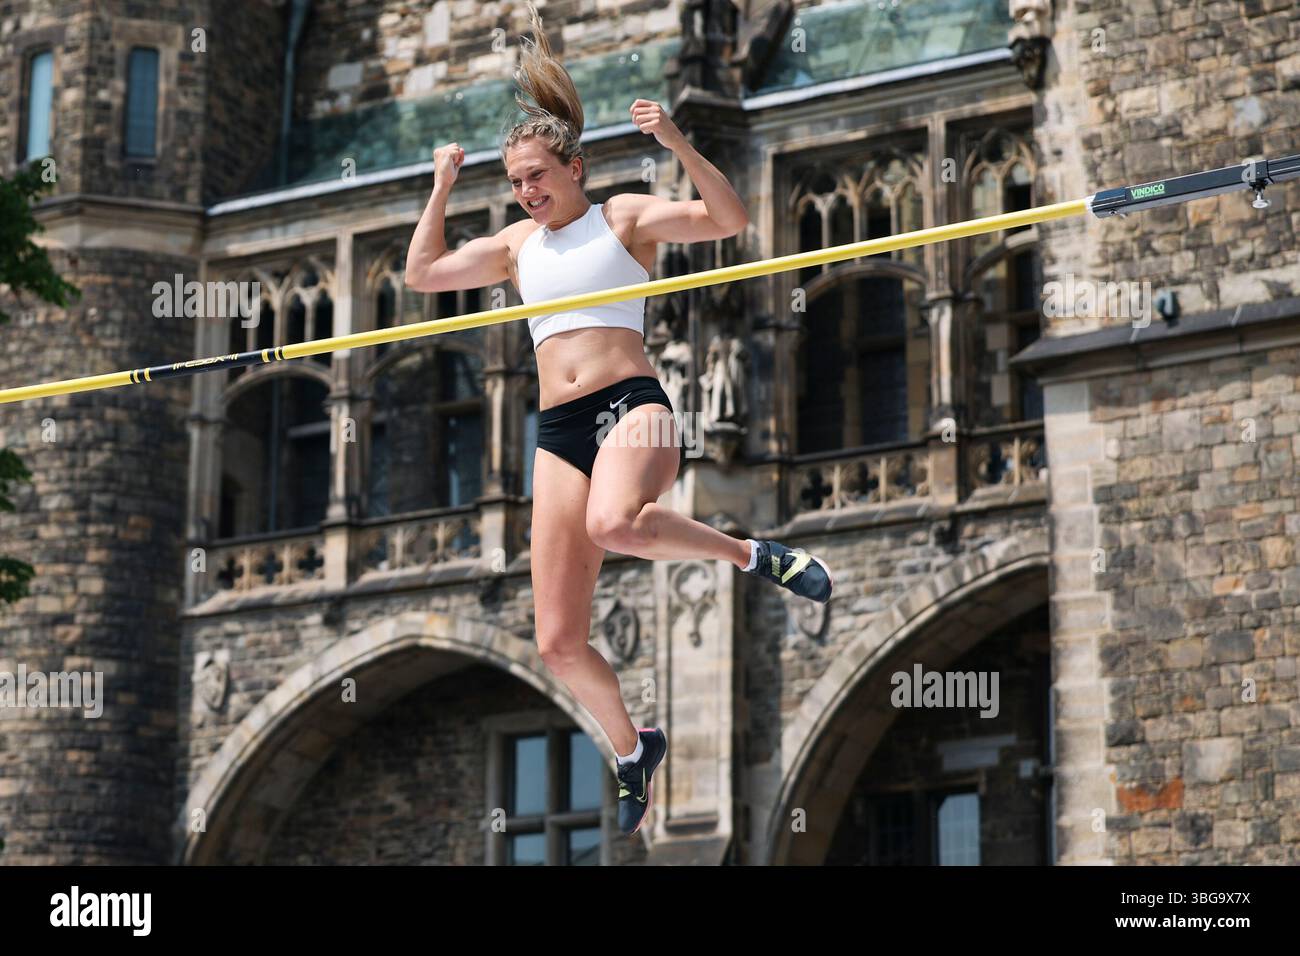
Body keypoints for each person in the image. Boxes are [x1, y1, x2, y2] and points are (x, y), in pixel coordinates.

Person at [404, 2, 833, 838]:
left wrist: (676, 144)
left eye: (538, 177)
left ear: (574, 167)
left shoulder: (624, 219)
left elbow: (728, 219)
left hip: (629, 406)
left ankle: (758, 555)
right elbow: (422, 275)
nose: (528, 193)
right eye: (518, 183)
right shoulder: (512, 248)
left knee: (618, 521)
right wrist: (442, 188)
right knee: (557, 640)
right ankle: (635, 748)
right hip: (560, 430)